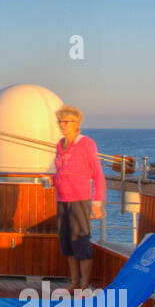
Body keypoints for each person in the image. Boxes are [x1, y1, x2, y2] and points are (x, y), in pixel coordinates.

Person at [51, 105, 105, 294]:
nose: (62, 125)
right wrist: (53, 180)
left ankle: (84, 285)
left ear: (77, 124)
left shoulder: (86, 143)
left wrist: (97, 202)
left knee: (81, 242)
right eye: (60, 121)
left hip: (80, 199)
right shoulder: (59, 144)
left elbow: (98, 174)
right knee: (66, 242)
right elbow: (61, 171)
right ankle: (73, 282)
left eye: (66, 122)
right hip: (62, 199)